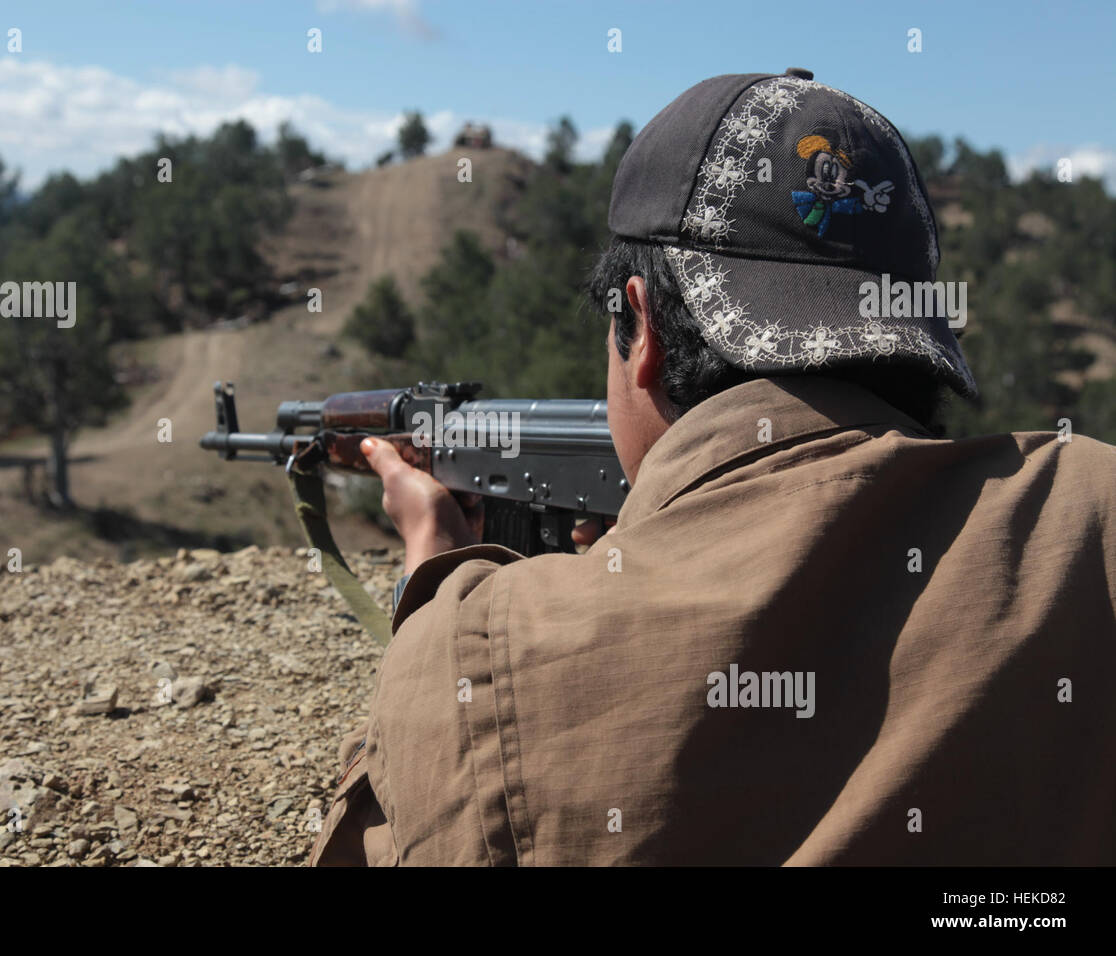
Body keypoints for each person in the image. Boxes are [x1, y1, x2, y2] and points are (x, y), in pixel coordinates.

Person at [310, 69, 1116, 866]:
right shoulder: (1095, 506)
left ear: (644, 330)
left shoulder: (483, 654)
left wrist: (435, 559)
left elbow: (404, 807)